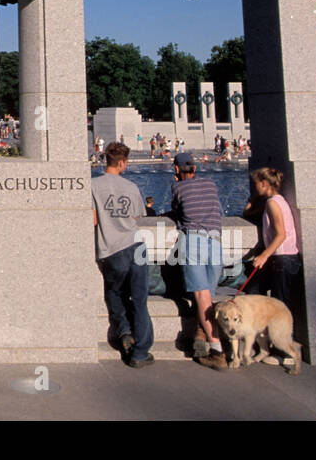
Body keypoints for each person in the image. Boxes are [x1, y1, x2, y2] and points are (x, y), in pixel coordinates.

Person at [92, 142, 154, 367]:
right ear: (122, 163)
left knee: (114, 293)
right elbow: (137, 218)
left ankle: (124, 331)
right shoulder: (131, 186)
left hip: (110, 249)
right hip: (135, 246)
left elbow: (93, 219)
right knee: (139, 299)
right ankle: (140, 352)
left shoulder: (93, 185)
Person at [167, 151, 227, 369]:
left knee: (201, 296)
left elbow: (177, 211)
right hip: (217, 242)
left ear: (176, 170)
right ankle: (200, 335)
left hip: (195, 242)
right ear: (195, 168)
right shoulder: (211, 184)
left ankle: (217, 350)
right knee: (207, 296)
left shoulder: (178, 187)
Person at [242, 167, 301, 308]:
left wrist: (264, 256)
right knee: (255, 291)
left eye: (255, 183)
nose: (254, 187)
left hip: (282, 259)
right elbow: (247, 214)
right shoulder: (275, 201)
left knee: (278, 306)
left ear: (264, 183)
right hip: (284, 260)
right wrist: (255, 197)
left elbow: (281, 234)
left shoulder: (272, 203)